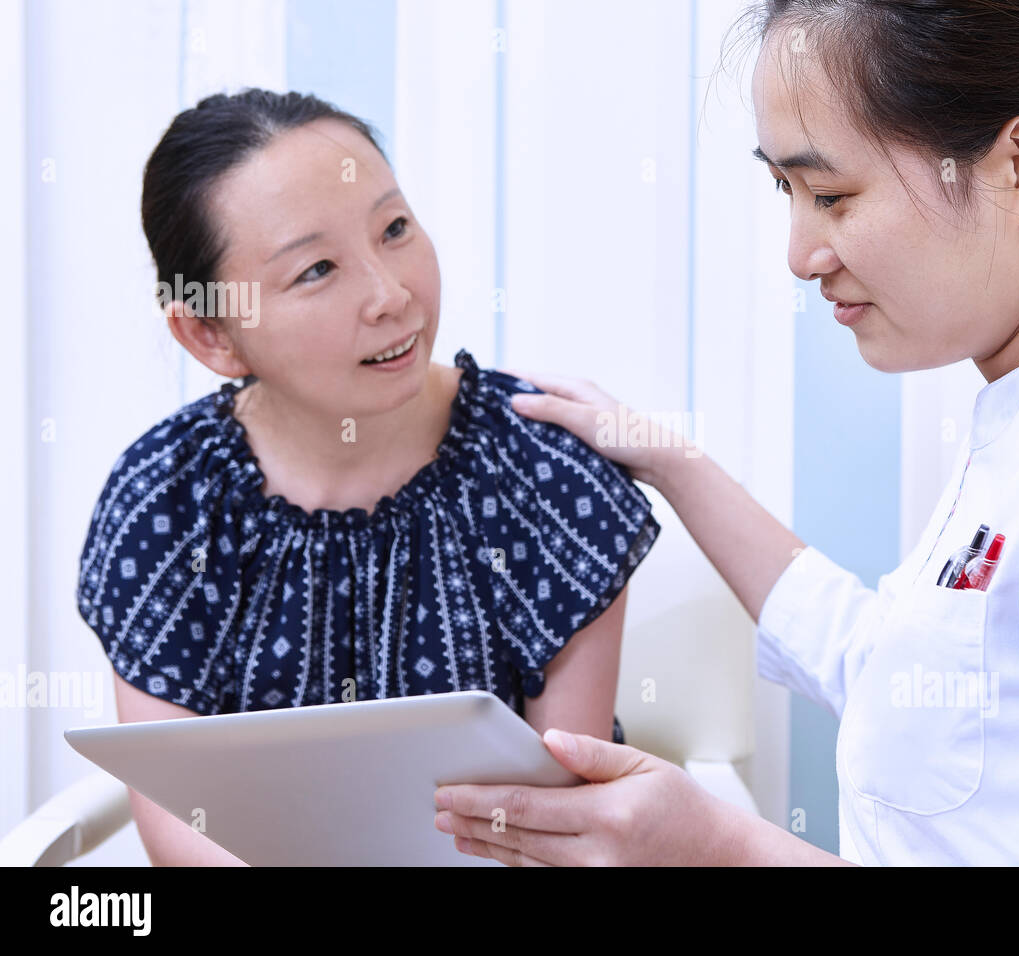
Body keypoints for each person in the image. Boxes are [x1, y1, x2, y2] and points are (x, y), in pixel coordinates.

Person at [431, 0, 1019, 866]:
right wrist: (672, 462)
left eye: (833, 195)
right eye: (787, 192)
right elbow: (902, 677)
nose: (800, 253)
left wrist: (726, 851)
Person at [76, 90, 660, 866]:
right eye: (317, 269)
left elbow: (560, 812)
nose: (391, 296)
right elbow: (180, 821)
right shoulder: (165, 498)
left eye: (394, 229)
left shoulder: (544, 470)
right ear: (210, 332)